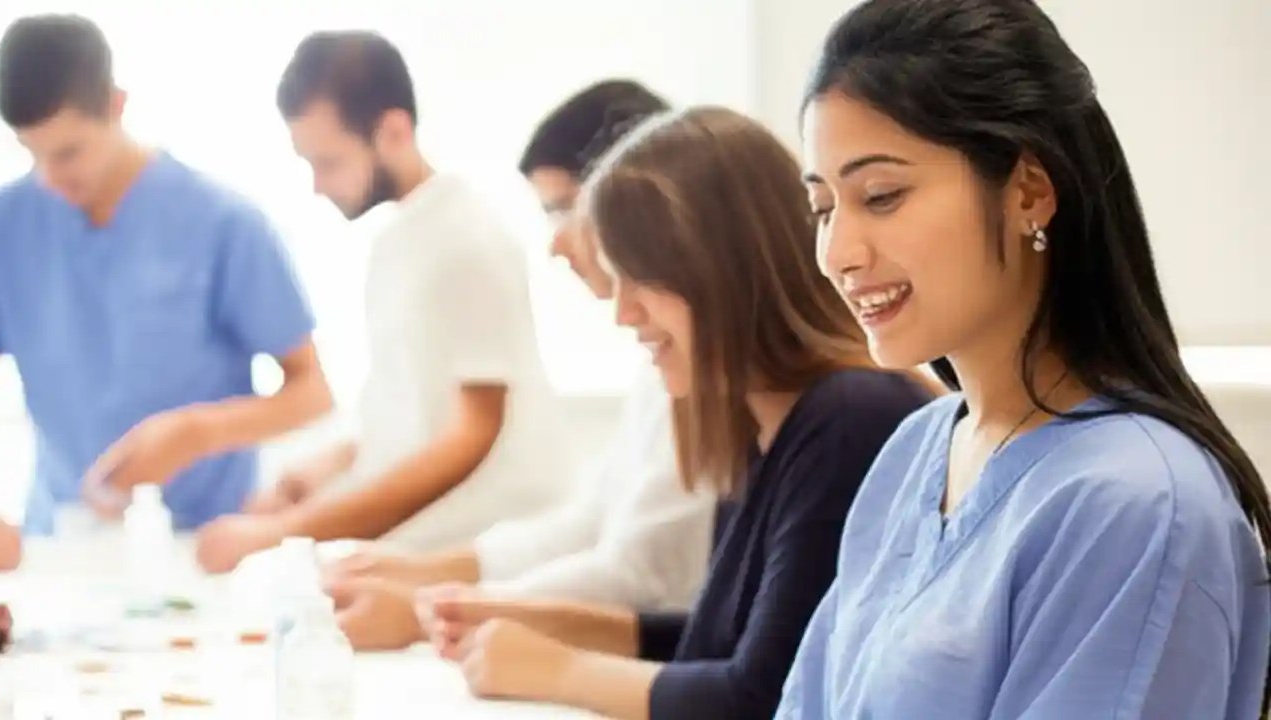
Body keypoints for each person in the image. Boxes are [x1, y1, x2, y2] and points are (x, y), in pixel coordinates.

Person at [775, 1, 1271, 718]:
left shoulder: (1138, 507)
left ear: (1029, 191)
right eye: (823, 208)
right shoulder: (916, 450)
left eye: (881, 196)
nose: (838, 254)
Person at [418, 107, 935, 720]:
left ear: (721, 271)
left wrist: (562, 670)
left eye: (642, 281)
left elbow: (759, 696)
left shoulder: (850, 418)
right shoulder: (765, 423)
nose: (623, 314)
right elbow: (722, 643)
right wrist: (526, 617)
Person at [323, 80, 719, 650]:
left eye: (564, 209)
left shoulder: (701, 364)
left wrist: (430, 607)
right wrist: (426, 574)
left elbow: (643, 575)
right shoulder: (660, 359)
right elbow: (592, 522)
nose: (556, 245)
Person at [195, 31, 569, 573]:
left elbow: (471, 434)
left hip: (489, 558)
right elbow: (417, 411)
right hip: (430, 553)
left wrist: (281, 535)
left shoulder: (465, 239)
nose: (318, 186)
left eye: (328, 161)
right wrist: (330, 468)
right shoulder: (402, 237)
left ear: (393, 130)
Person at [0, 15, 331, 546]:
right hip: (60, 547)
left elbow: (312, 392)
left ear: (116, 105)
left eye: (68, 152)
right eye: (31, 153)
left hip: (206, 550)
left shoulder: (223, 224)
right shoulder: (5, 228)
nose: (50, 179)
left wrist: (197, 432)